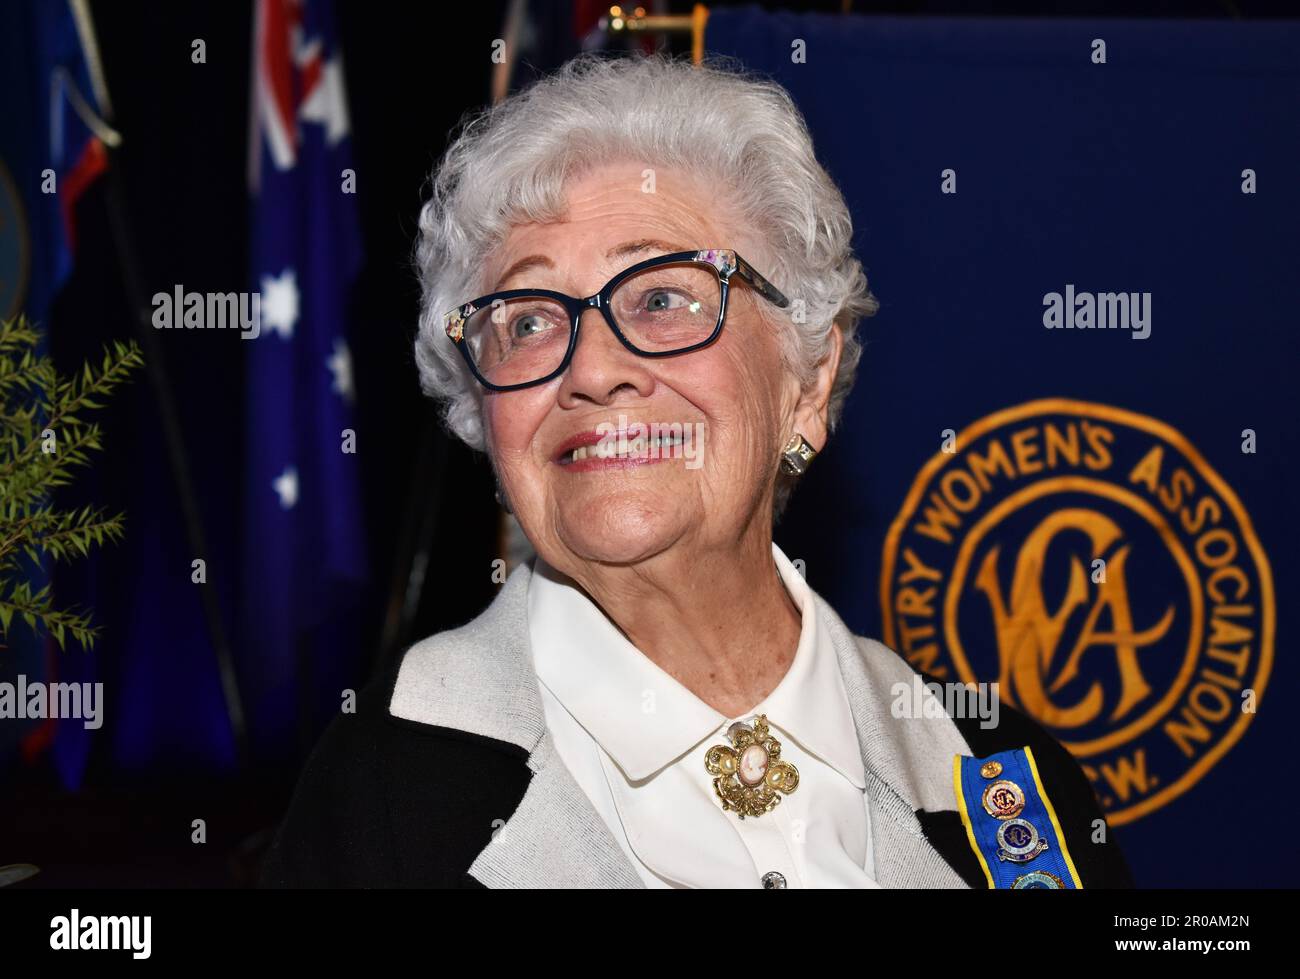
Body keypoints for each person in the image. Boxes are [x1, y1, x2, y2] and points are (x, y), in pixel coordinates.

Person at [260, 53, 1130, 889]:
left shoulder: (1003, 774)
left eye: (664, 298)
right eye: (526, 320)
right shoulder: (384, 787)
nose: (592, 369)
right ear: (486, 414)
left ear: (807, 381)